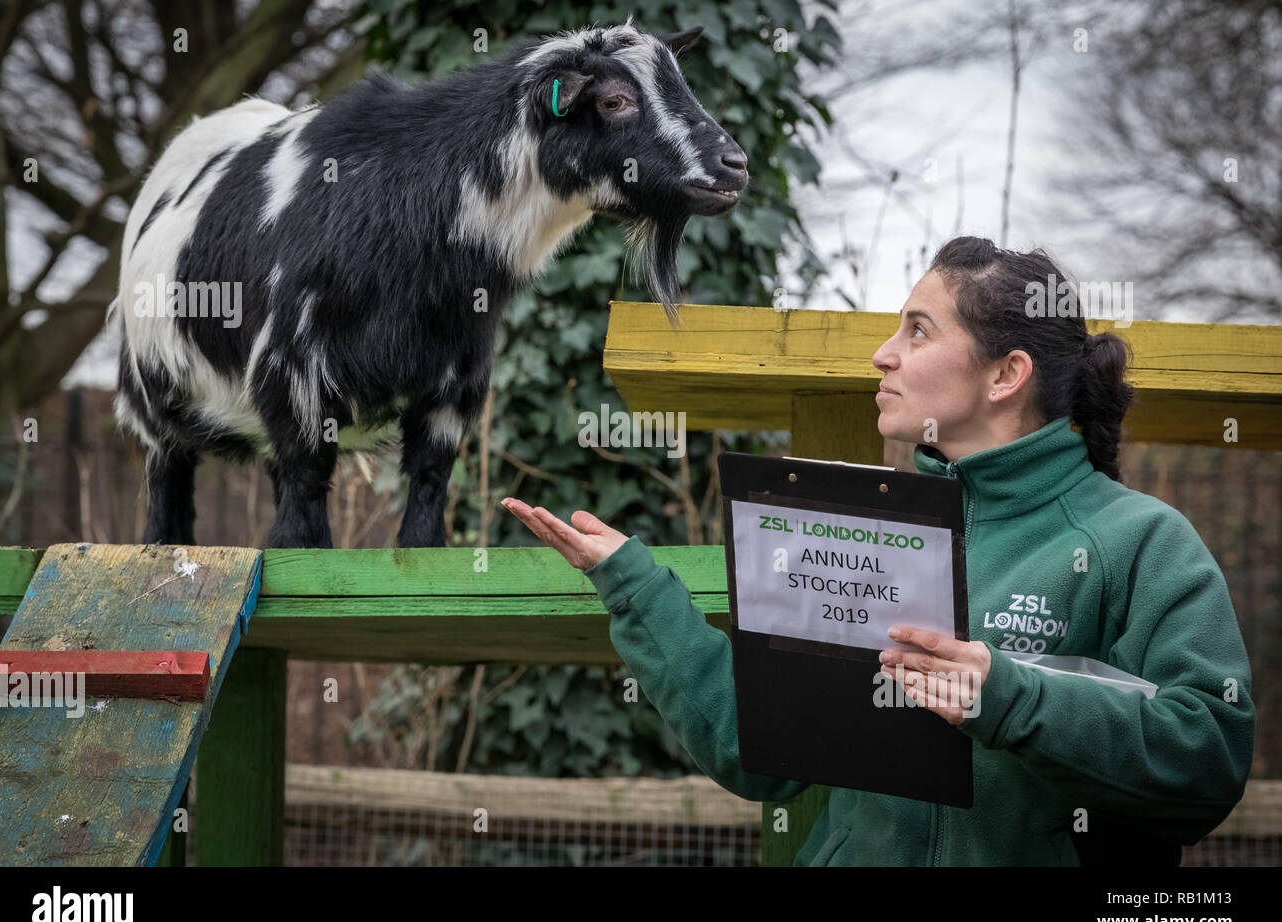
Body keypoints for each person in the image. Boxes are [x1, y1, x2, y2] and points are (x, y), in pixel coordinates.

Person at [501, 235, 1256, 866]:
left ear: (1006, 374)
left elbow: (1207, 762)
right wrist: (634, 584)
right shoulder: (860, 530)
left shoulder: (1140, 542)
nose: (881, 355)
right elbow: (756, 752)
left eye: (917, 330)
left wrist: (1012, 696)